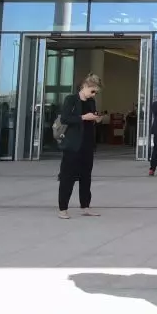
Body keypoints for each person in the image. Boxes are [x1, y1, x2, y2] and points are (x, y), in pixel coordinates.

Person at [57, 74, 102, 220]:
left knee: (86, 177)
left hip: (87, 144)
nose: (94, 94)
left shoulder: (91, 102)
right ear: (84, 86)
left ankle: (85, 206)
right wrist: (83, 117)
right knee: (67, 177)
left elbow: (91, 118)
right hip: (72, 145)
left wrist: (96, 118)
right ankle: (63, 208)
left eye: (96, 92)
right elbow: (65, 118)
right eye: (92, 91)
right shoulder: (71, 100)